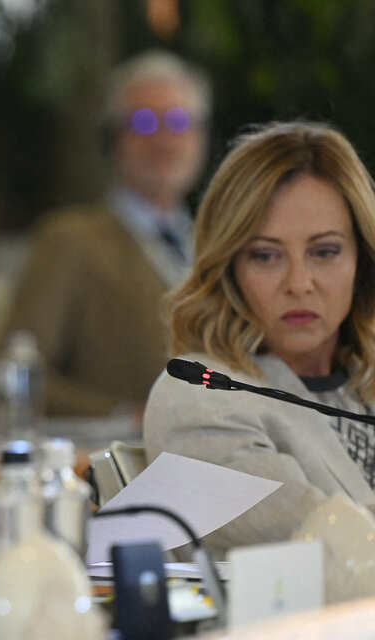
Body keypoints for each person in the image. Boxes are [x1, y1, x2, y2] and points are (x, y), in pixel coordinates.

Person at [144, 121, 375, 554]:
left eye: (324, 251)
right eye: (266, 256)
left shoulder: (363, 378)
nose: (299, 282)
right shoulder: (197, 397)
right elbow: (339, 551)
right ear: (229, 267)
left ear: (361, 260)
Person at [0, 50, 211, 418]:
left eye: (178, 121)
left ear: (202, 138)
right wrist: (124, 415)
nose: (163, 139)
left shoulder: (216, 244)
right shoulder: (71, 240)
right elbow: (17, 375)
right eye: (144, 122)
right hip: (121, 460)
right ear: (113, 139)